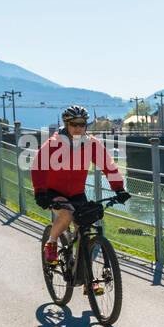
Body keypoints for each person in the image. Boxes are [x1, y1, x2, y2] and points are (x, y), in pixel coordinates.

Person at [30, 106, 129, 264]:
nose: (78, 128)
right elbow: (38, 166)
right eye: (74, 124)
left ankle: (86, 280)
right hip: (54, 191)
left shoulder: (91, 144)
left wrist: (118, 188)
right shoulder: (54, 143)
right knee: (67, 215)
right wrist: (40, 191)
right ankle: (52, 243)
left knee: (83, 228)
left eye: (82, 124)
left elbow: (108, 164)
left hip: (77, 193)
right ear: (66, 124)